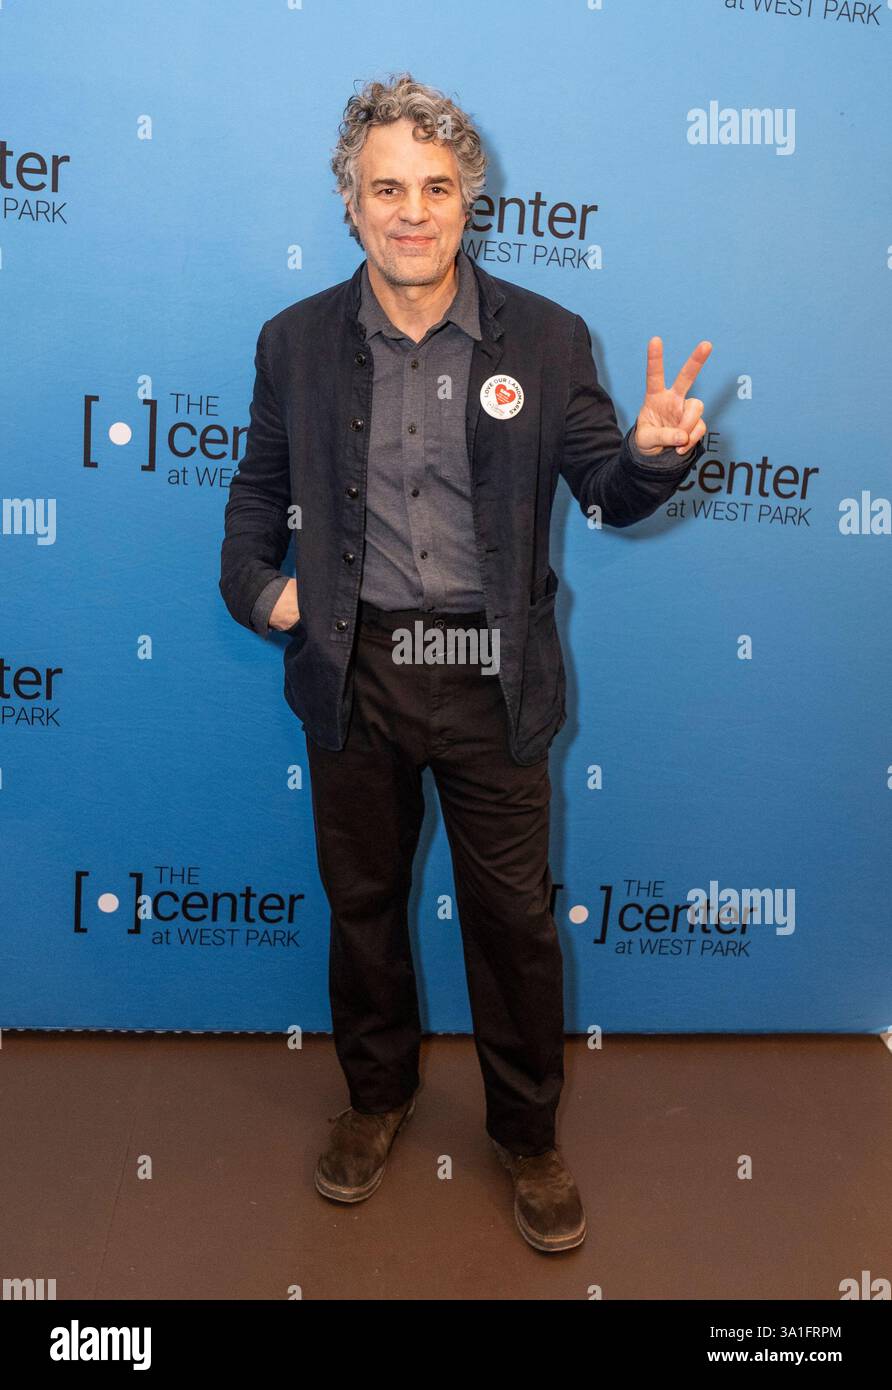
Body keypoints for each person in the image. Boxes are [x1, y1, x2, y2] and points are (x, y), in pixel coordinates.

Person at [219, 72, 711, 1253]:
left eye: (435, 187)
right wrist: (262, 591)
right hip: (355, 670)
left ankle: (528, 1135)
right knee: (366, 908)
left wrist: (650, 458)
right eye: (385, 187)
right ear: (348, 201)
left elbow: (605, 482)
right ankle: (376, 1099)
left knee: (512, 922)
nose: (411, 211)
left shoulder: (545, 337)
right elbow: (255, 495)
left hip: (492, 676)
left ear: (468, 201)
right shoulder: (292, 342)